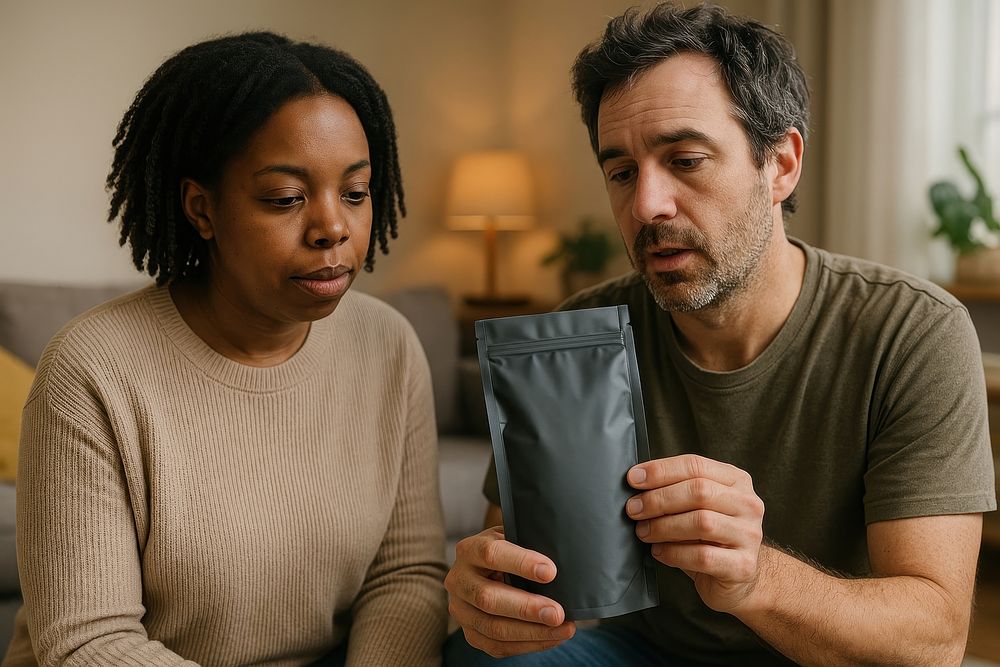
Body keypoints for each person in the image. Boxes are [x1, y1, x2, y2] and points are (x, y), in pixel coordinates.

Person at [444, 3, 997, 665]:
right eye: (621, 172)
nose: (646, 205)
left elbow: (933, 639)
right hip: (645, 650)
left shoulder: (910, 332)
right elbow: (512, 547)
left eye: (686, 159)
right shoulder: (580, 338)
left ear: (782, 164)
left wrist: (757, 577)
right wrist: (492, 596)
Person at [4, 32, 447, 666]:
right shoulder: (91, 369)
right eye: (285, 199)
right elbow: (88, 644)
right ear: (201, 209)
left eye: (355, 192)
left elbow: (404, 576)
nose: (333, 228)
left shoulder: (389, 345)